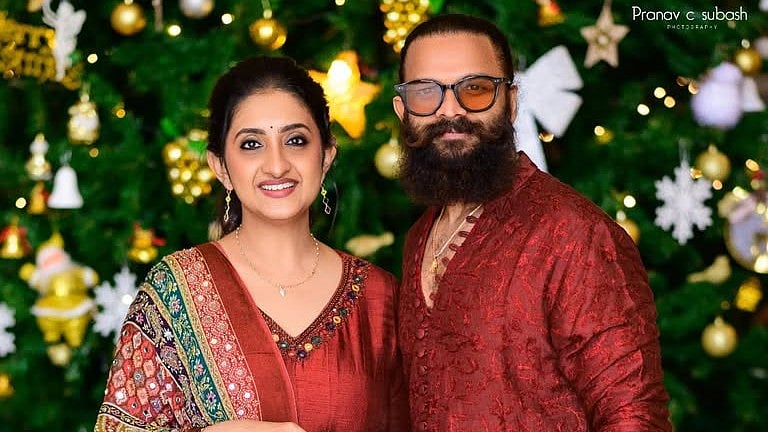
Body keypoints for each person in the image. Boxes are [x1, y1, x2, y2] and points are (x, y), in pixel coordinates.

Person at [93, 56, 409, 432]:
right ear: (220, 167)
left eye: (295, 141)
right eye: (251, 144)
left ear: (326, 156)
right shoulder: (176, 290)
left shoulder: (379, 298)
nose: (276, 165)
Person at [391, 13, 672, 432]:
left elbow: (634, 416)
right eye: (425, 92)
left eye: (475, 89)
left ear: (511, 102)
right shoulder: (419, 237)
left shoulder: (574, 233)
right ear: (403, 110)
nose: (450, 110)